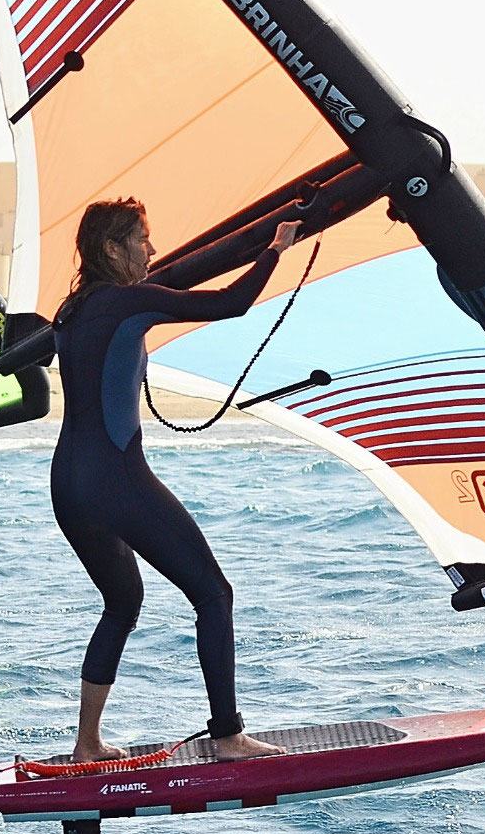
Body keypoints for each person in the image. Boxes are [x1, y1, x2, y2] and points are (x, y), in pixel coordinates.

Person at [51, 198, 301, 763]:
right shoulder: (127, 300)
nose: (153, 250)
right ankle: (228, 734)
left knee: (122, 602)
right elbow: (231, 303)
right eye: (143, 239)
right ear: (113, 249)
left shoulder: (70, 311)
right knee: (213, 595)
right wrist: (275, 249)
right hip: (116, 477)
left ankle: (87, 743)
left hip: (67, 483)